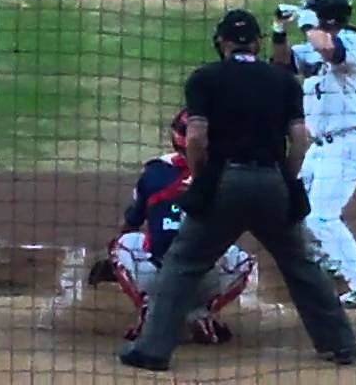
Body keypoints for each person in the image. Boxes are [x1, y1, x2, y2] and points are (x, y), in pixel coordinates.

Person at [119, 9, 356, 372]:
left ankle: (152, 350)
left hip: (224, 183)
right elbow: (299, 140)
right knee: (301, 265)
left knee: (183, 263)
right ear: (258, 42)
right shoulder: (283, 81)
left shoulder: (205, 79)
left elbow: (196, 137)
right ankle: (340, 345)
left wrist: (202, 181)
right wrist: (288, 181)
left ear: (221, 42)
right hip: (272, 183)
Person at [271, 0, 356, 308]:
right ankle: (327, 258)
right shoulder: (315, 42)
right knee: (295, 205)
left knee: (322, 217)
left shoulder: (352, 44)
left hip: (346, 145)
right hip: (319, 147)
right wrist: (279, 30)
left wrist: (306, 22)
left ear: (326, 17)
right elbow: (281, 64)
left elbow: (328, 51)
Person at [107, 109, 255, 345]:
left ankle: (149, 308)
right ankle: (201, 314)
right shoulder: (228, 173)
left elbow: (130, 222)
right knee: (243, 260)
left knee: (120, 246)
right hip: (206, 278)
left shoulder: (154, 172)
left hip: (157, 279)